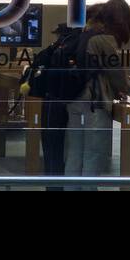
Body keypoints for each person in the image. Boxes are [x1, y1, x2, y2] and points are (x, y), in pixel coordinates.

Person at [65, 0, 130, 181]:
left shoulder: (85, 34)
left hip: (74, 99)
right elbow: (117, 74)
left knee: (74, 154)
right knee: (93, 156)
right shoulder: (104, 39)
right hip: (93, 105)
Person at [23, 22, 82, 177]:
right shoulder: (78, 45)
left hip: (53, 99)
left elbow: (38, 62)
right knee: (69, 146)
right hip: (72, 101)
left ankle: (53, 181)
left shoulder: (56, 48)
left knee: (52, 145)